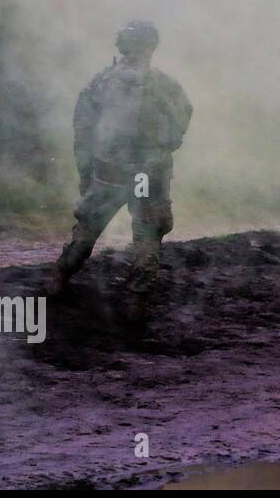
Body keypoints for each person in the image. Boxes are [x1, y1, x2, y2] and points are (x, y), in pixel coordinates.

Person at [46, 21, 192, 319]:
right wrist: (167, 146)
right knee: (147, 236)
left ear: (123, 46)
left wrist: (86, 174)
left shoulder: (102, 82)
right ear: (151, 48)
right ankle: (136, 300)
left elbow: (83, 129)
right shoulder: (164, 83)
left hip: (110, 170)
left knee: (87, 231)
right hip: (150, 173)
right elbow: (183, 115)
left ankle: (60, 278)